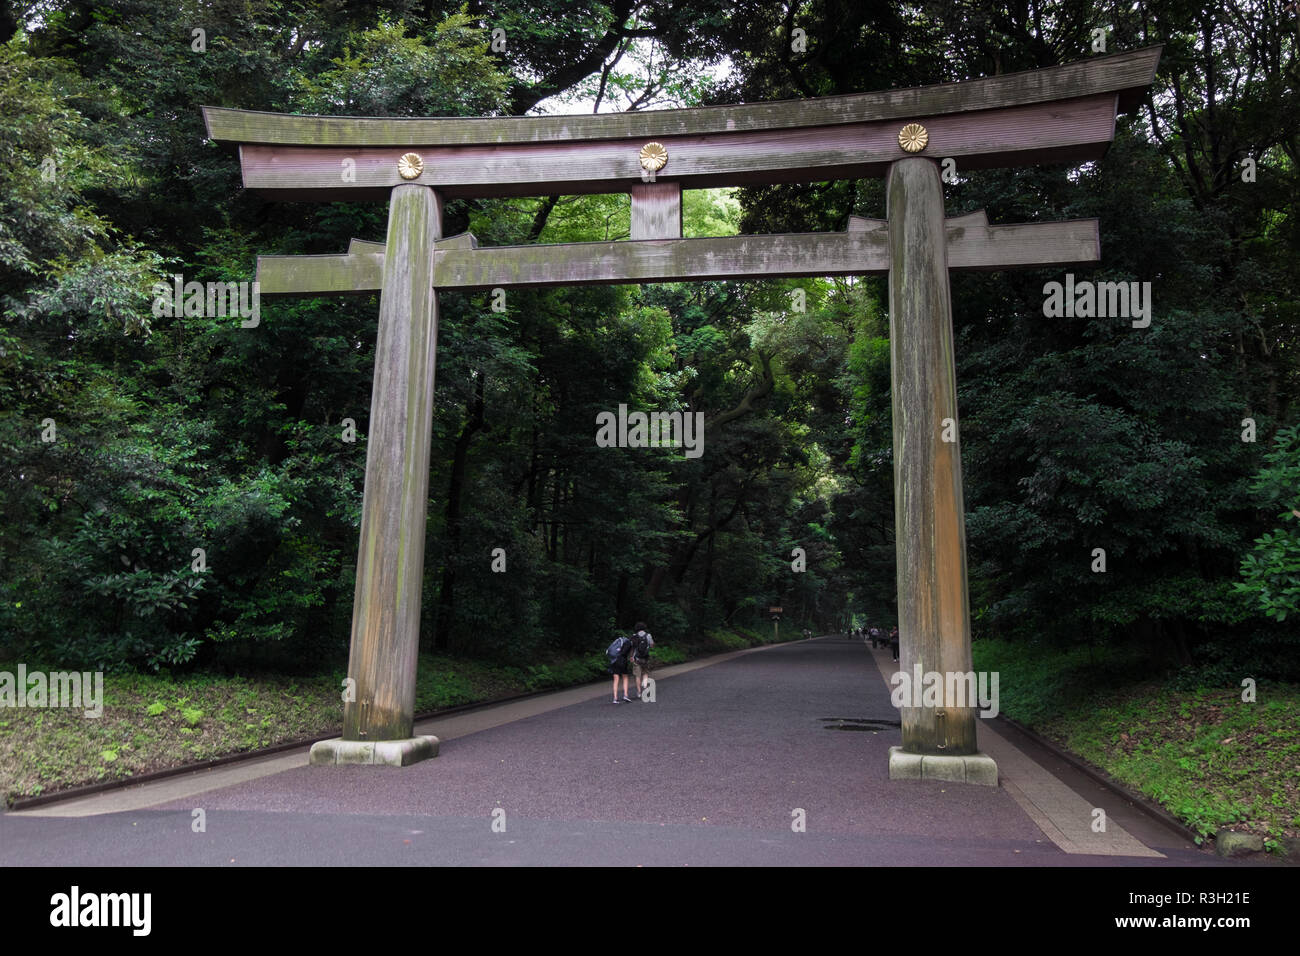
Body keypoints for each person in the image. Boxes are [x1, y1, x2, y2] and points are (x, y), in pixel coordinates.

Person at [607, 631, 636, 703]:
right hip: (622, 661)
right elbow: (623, 653)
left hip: (614, 661)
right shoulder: (629, 643)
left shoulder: (622, 641)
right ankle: (625, 695)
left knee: (616, 679)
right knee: (625, 677)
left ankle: (615, 698)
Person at [630, 621, 654, 695]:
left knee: (637, 675)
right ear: (644, 627)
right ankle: (645, 688)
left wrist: (631, 656)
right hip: (645, 658)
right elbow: (652, 645)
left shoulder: (634, 636)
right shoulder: (648, 635)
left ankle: (639, 692)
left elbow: (631, 647)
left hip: (636, 658)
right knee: (645, 673)